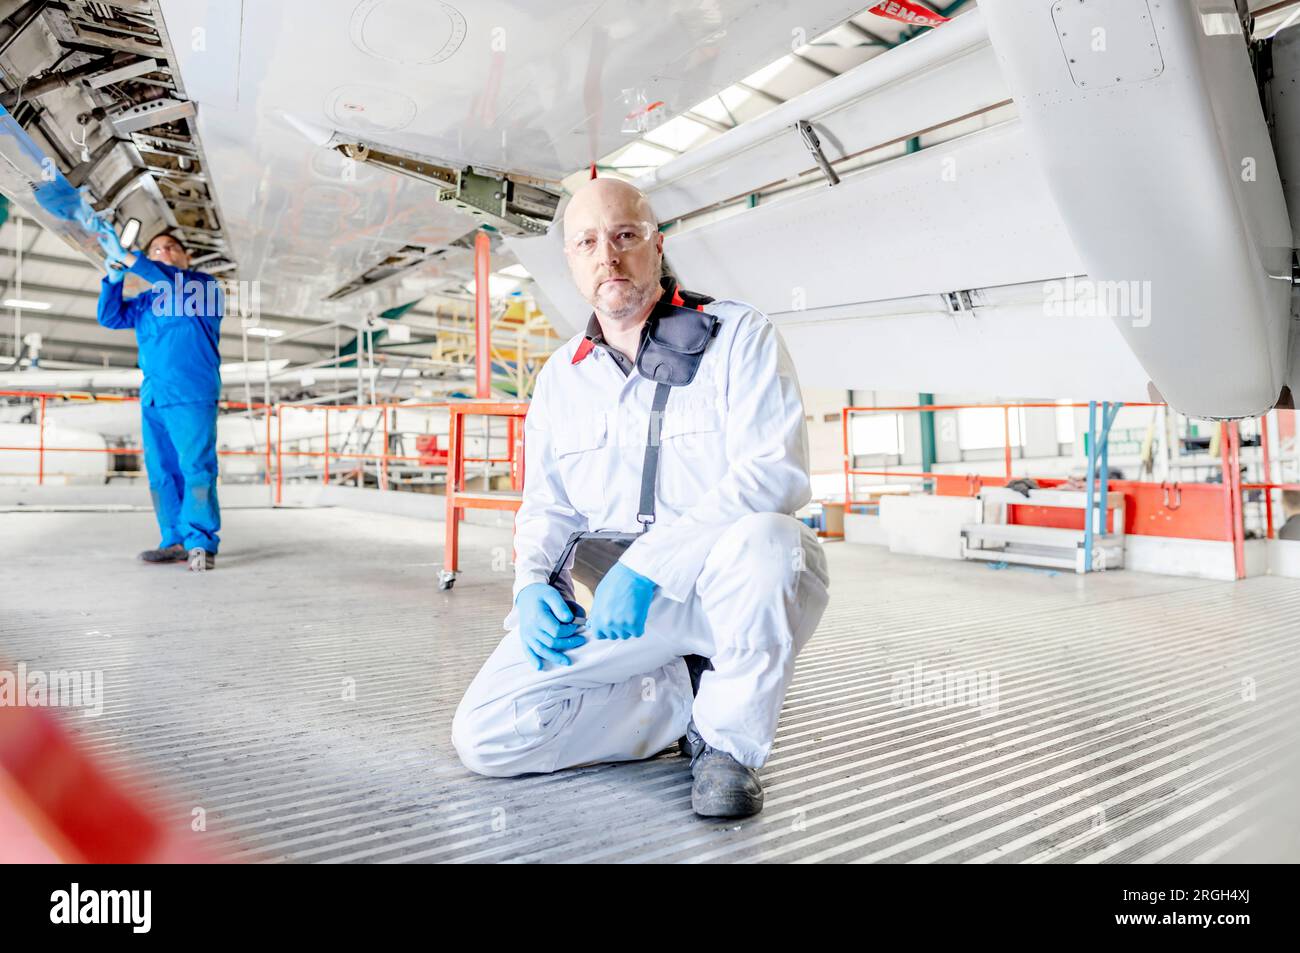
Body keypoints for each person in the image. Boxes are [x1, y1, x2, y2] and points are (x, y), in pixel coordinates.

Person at [452, 178, 830, 818]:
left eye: (626, 235)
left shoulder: (739, 335)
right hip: (613, 601)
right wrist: (528, 585)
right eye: (588, 243)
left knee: (774, 543)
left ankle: (725, 745)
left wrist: (647, 564)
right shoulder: (561, 378)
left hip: (718, 590)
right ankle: (682, 696)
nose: (609, 257)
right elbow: (549, 506)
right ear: (571, 261)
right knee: (486, 734)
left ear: (657, 244)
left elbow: (776, 473)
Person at [94, 225, 223, 572]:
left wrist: (131, 258)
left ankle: (201, 542)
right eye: (155, 249)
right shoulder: (146, 303)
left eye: (169, 247)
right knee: (161, 472)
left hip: (192, 393)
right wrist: (113, 279)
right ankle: (174, 540)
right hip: (154, 397)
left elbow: (165, 277)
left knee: (196, 468)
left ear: (186, 257)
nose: (162, 252)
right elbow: (109, 317)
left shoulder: (203, 288)